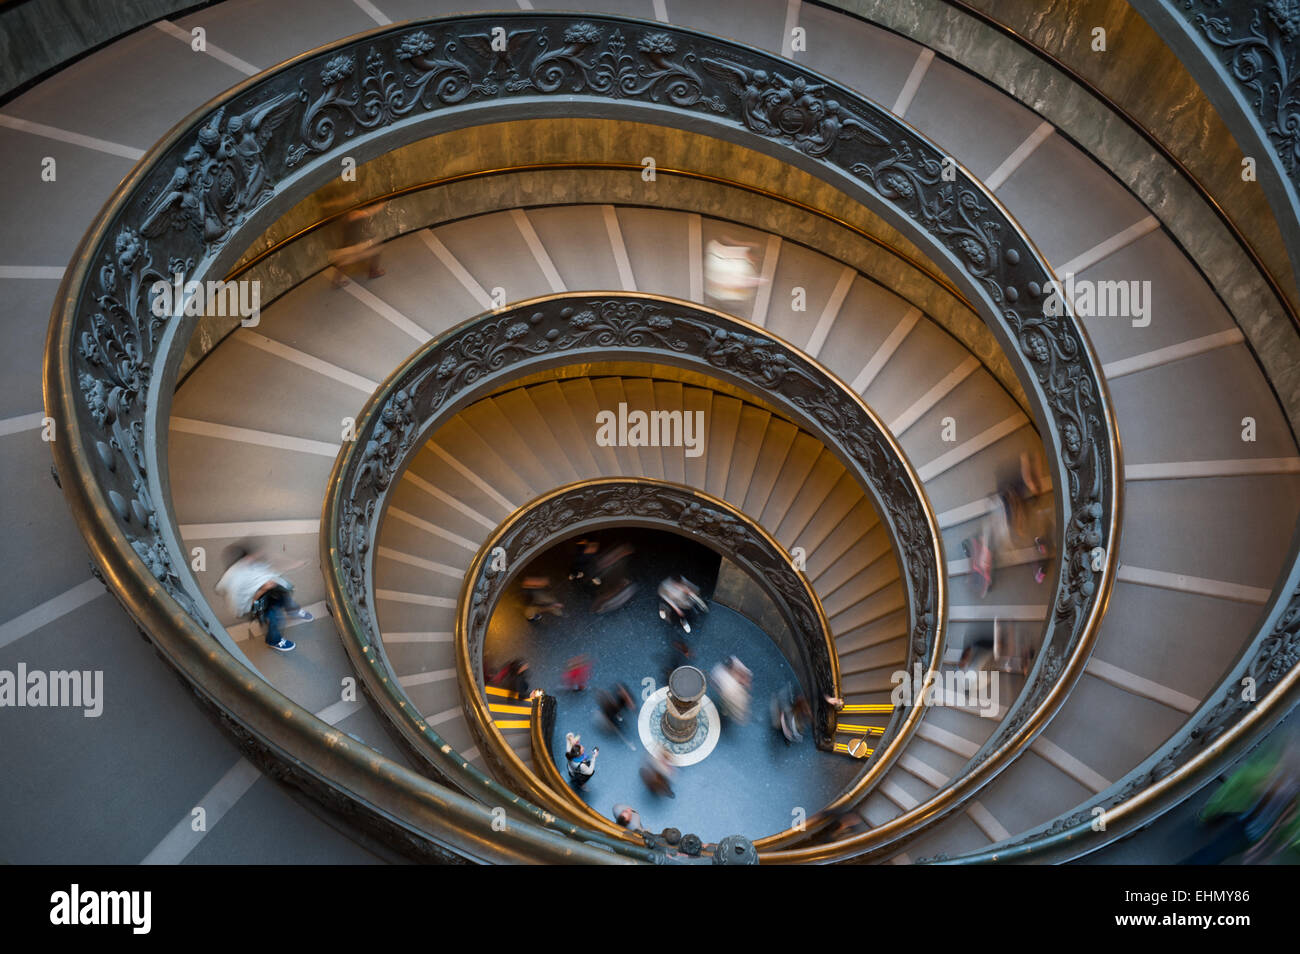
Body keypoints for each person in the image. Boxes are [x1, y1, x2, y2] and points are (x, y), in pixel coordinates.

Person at [215, 546, 311, 652]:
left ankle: (294, 611)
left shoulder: (249, 565)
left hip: (270, 592)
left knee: (286, 599)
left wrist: (295, 564)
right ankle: (274, 640)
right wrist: (262, 589)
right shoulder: (236, 579)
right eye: (251, 557)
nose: (254, 557)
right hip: (258, 602)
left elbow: (269, 569)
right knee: (275, 618)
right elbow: (245, 604)